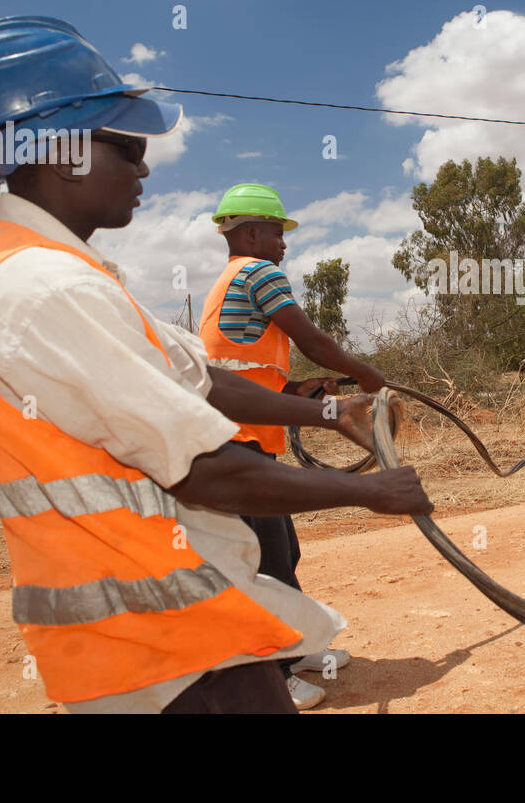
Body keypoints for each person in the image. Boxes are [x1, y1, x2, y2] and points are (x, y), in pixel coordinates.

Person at [0, 17, 431, 714]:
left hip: (176, 624)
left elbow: (200, 377)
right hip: (147, 641)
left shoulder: (61, 273)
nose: (143, 168)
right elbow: (202, 467)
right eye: (127, 147)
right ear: (62, 150)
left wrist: (327, 409)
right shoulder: (44, 287)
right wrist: (369, 493)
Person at [198, 183, 386, 709]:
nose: (284, 245)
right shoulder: (259, 272)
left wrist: (301, 392)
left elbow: (248, 373)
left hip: (243, 438)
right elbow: (313, 341)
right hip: (235, 443)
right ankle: (271, 677)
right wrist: (365, 372)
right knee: (263, 563)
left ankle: (296, 647)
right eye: (279, 234)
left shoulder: (226, 284)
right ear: (252, 232)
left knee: (282, 551)